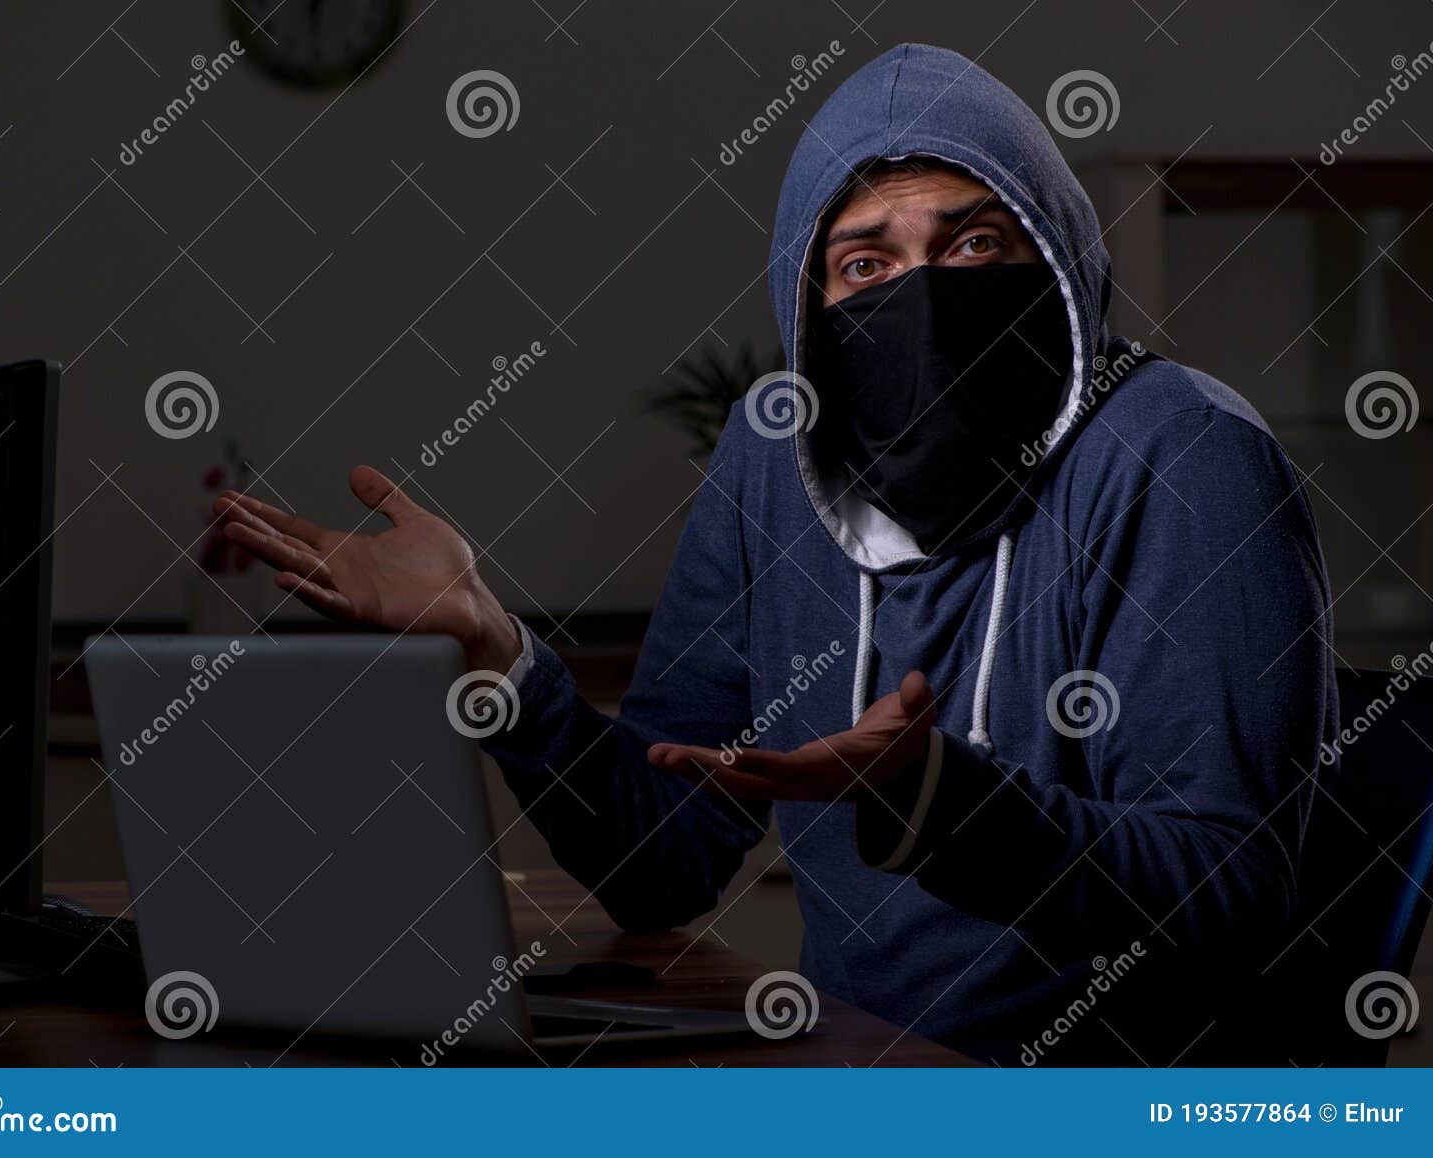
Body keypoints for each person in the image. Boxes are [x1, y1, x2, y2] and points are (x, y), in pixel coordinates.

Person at [215, 44, 1336, 1065]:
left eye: (974, 243)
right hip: (845, 1077)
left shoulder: (1183, 457)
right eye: (865, 265)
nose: (925, 299)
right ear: (810, 310)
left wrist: (943, 798)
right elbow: (665, 865)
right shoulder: (774, 451)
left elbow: (1231, 898)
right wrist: (492, 650)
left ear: (1056, 257)